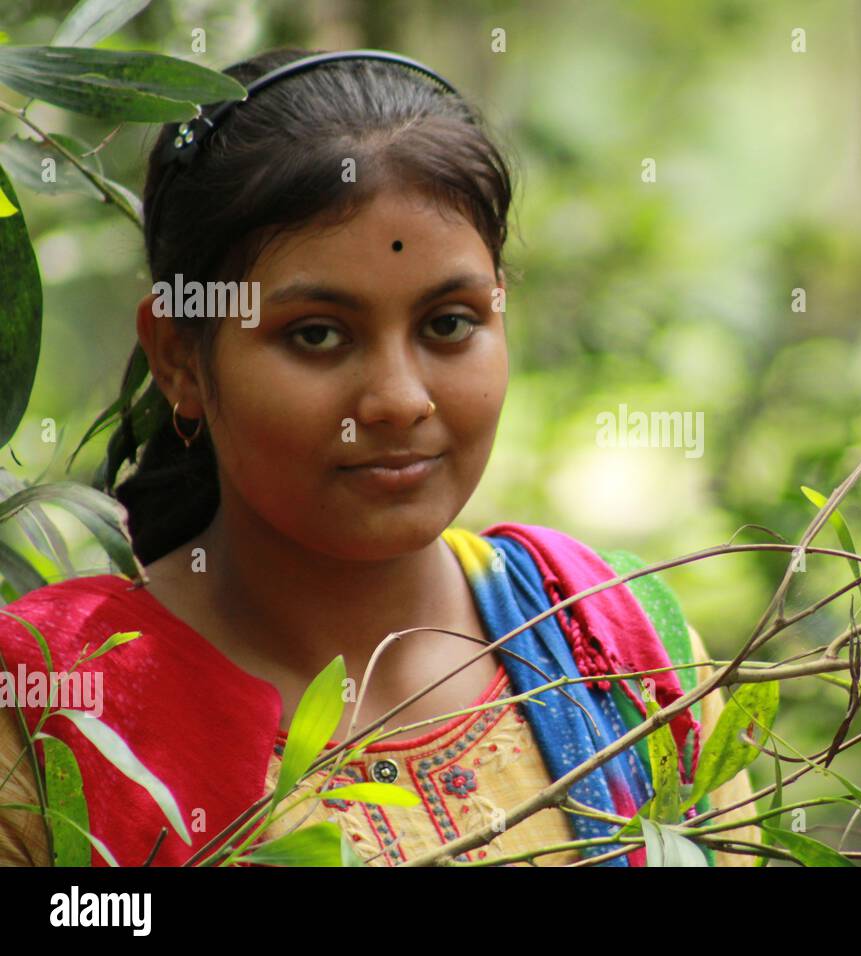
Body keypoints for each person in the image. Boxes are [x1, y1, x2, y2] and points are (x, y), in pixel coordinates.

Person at [0, 47, 759, 867]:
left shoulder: (625, 651)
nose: (399, 399)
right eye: (317, 335)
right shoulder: (45, 710)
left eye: (449, 324)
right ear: (181, 357)